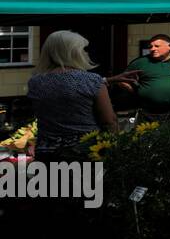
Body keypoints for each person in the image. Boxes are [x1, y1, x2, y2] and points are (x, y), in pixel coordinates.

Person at [25, 30, 134, 160]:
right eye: (83, 50)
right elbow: (109, 121)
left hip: (47, 152)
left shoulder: (35, 82)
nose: (86, 53)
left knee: (52, 181)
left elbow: (63, 89)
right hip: (84, 152)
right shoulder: (91, 80)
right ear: (73, 52)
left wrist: (107, 80)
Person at [120, 33, 170, 122]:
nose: (152, 49)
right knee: (146, 135)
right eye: (150, 46)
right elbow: (121, 80)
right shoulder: (140, 62)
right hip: (147, 113)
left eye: (157, 46)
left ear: (169, 46)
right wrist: (137, 91)